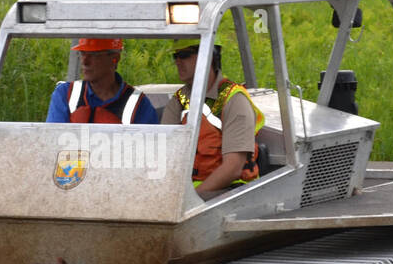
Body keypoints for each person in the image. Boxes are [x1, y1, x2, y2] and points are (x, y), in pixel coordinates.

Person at [161, 40, 264, 197]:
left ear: (208, 56)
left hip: (229, 193)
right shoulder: (179, 101)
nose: (177, 62)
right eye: (175, 56)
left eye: (184, 55)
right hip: (187, 193)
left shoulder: (234, 99)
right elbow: (164, 156)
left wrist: (190, 200)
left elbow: (233, 168)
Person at [45, 37, 159, 124]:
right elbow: (53, 143)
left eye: (93, 55)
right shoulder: (65, 94)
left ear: (115, 58)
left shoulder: (139, 104)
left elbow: (150, 149)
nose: (85, 62)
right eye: (83, 53)